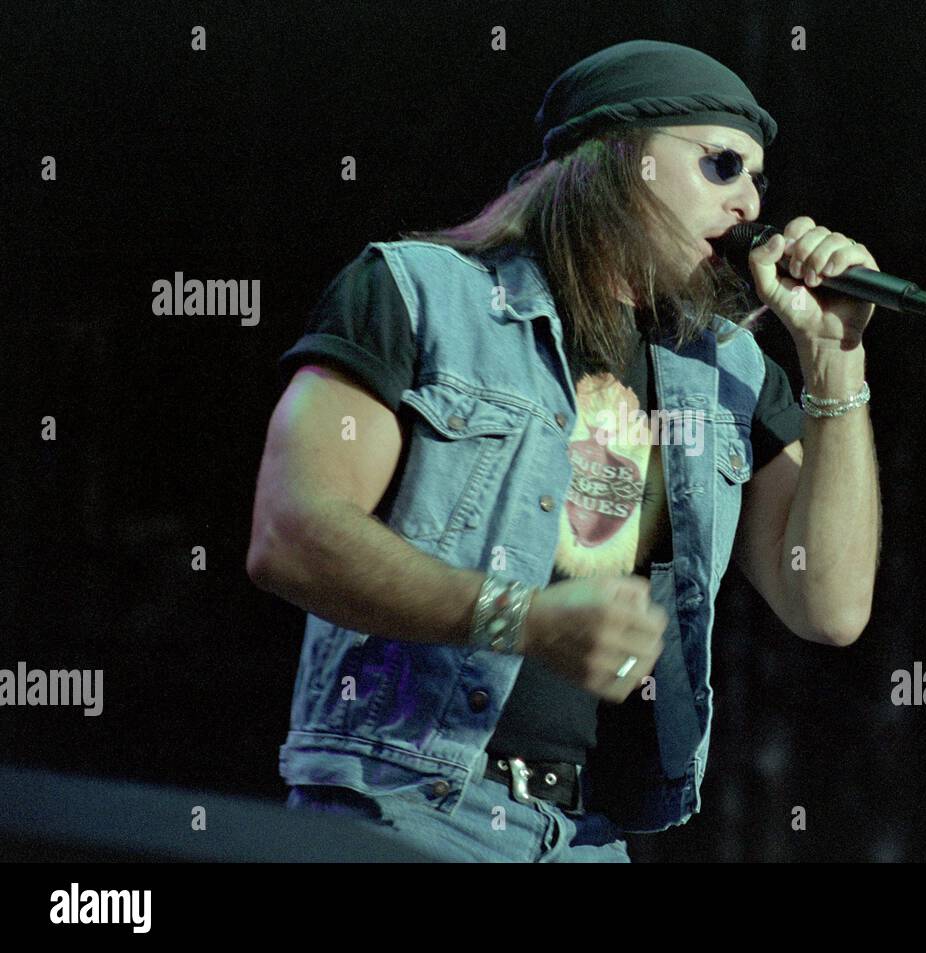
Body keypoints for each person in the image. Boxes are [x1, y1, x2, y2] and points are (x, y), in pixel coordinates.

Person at [247, 39, 883, 862]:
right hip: (406, 804)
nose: (749, 203)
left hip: (589, 835)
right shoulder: (418, 293)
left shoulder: (726, 369)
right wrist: (522, 617)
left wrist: (835, 357)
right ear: (617, 158)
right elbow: (291, 534)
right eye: (722, 165)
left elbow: (827, 605)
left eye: (759, 177)